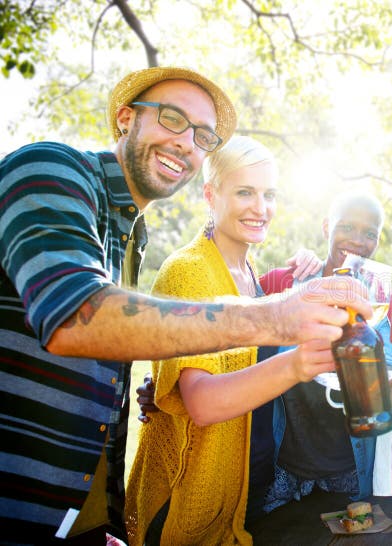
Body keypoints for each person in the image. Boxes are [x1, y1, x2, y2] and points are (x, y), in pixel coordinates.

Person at [0, 67, 370, 544]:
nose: (185, 142)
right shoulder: (51, 168)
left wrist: (104, 515)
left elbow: (105, 371)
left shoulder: (131, 237)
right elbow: (76, 317)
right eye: (172, 118)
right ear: (125, 118)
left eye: (202, 135)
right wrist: (278, 321)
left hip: (79, 517)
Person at [124, 136, 333, 545]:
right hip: (186, 504)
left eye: (269, 195)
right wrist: (296, 364)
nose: (261, 208)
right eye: (244, 192)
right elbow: (202, 403)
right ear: (210, 194)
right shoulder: (188, 271)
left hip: (245, 497)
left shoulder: (251, 272)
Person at [263, 191, 392, 512]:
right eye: (346, 227)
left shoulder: (377, 302)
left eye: (370, 233)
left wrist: (390, 381)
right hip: (283, 469)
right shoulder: (287, 284)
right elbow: (234, 332)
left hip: (349, 469)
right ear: (327, 227)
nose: (358, 241)